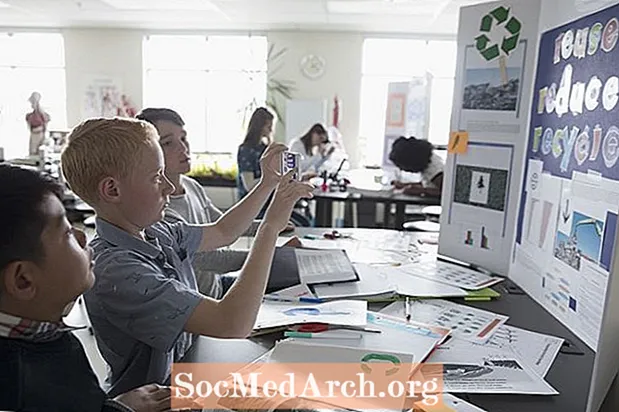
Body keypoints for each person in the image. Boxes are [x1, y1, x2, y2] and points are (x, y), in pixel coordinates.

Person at [61, 117, 313, 397]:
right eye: (157, 177)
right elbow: (233, 322)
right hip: (158, 399)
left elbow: (223, 231)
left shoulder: (156, 230)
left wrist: (267, 183)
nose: (169, 187)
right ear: (112, 190)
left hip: (189, 370)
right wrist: (269, 228)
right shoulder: (117, 271)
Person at [0, 164, 172, 411]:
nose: (83, 237)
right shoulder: (19, 385)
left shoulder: (46, 339)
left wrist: (113, 407)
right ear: (23, 280)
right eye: (67, 232)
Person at [135, 107, 297, 298]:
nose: (183, 148)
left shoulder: (192, 186)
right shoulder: (158, 209)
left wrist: (269, 226)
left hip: (216, 286)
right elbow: (211, 259)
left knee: (298, 280)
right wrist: (273, 253)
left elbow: (225, 224)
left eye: (184, 138)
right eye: (168, 143)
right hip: (202, 305)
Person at [237, 107, 274, 200]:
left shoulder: (264, 148)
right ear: (259, 127)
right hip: (251, 203)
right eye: (268, 127)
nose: (270, 130)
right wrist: (273, 179)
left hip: (266, 200)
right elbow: (249, 186)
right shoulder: (246, 150)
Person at [26, 91, 51, 156]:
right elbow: (29, 126)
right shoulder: (29, 115)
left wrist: (44, 136)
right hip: (34, 135)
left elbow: (45, 124)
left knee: (40, 152)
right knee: (33, 152)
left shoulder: (43, 114)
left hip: (40, 134)